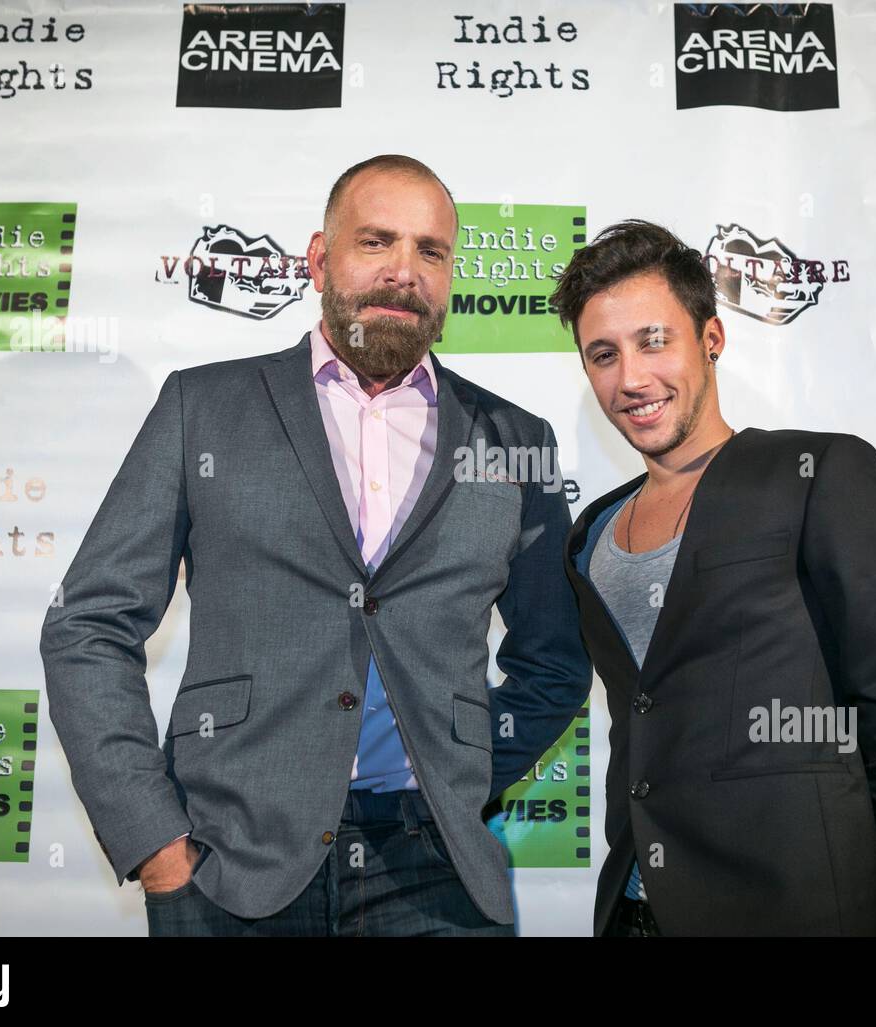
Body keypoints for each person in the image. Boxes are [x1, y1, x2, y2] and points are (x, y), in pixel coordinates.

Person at [40, 154, 591, 936]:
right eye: (376, 242)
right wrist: (156, 842)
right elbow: (87, 625)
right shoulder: (205, 407)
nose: (405, 272)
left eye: (430, 251)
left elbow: (556, 660)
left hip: (438, 873)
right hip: (229, 864)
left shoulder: (513, 440)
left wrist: (457, 772)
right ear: (318, 259)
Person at [551, 220, 876, 936]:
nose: (631, 378)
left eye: (654, 340)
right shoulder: (591, 536)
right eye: (603, 354)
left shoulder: (818, 473)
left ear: (711, 339)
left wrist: (839, 873)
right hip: (634, 911)